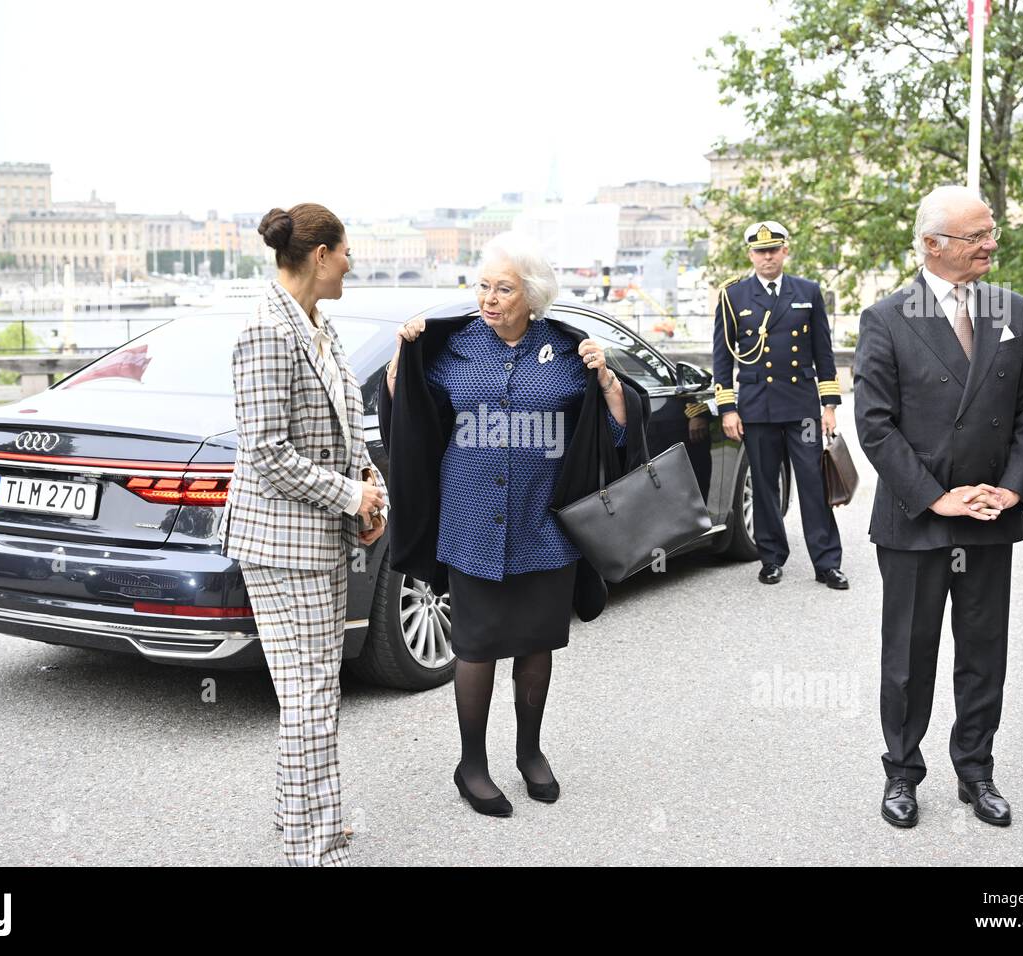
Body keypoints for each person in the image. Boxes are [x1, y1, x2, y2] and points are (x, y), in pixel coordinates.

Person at [380, 232, 648, 817]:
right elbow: (407, 417)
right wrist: (403, 360)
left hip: (544, 526)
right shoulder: (450, 348)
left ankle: (529, 751)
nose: (490, 298)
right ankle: (470, 764)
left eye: (504, 288)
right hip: (470, 522)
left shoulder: (568, 352)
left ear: (532, 296)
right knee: (475, 648)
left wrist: (607, 381)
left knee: (534, 646)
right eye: (484, 287)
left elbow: (618, 432)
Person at [853, 185, 1023, 829]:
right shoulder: (887, 317)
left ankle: (977, 771)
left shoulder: (1012, 310)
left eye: (991, 232)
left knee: (983, 650)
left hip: (992, 515)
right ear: (933, 246)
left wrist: (1012, 488)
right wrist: (939, 497)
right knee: (908, 656)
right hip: (918, 519)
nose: (991, 244)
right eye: (977, 237)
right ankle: (902, 773)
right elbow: (876, 425)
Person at [220, 203, 388, 866]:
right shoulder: (266, 329)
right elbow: (265, 449)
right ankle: (310, 845)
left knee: (314, 690)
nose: (352, 262)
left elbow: (348, 422)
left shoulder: (319, 324)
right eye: (346, 251)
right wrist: (350, 495)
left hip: (317, 537)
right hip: (281, 547)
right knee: (310, 693)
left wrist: (373, 495)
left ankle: (311, 818)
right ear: (320, 255)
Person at [712, 220, 848, 589]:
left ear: (785, 250)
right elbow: (722, 358)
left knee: (812, 484)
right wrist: (727, 408)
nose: (767, 256)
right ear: (750, 255)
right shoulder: (733, 296)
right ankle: (771, 558)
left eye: (773, 249)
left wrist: (830, 405)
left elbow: (824, 352)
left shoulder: (808, 291)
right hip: (756, 407)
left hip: (801, 406)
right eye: (760, 251)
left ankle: (827, 562)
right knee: (765, 486)